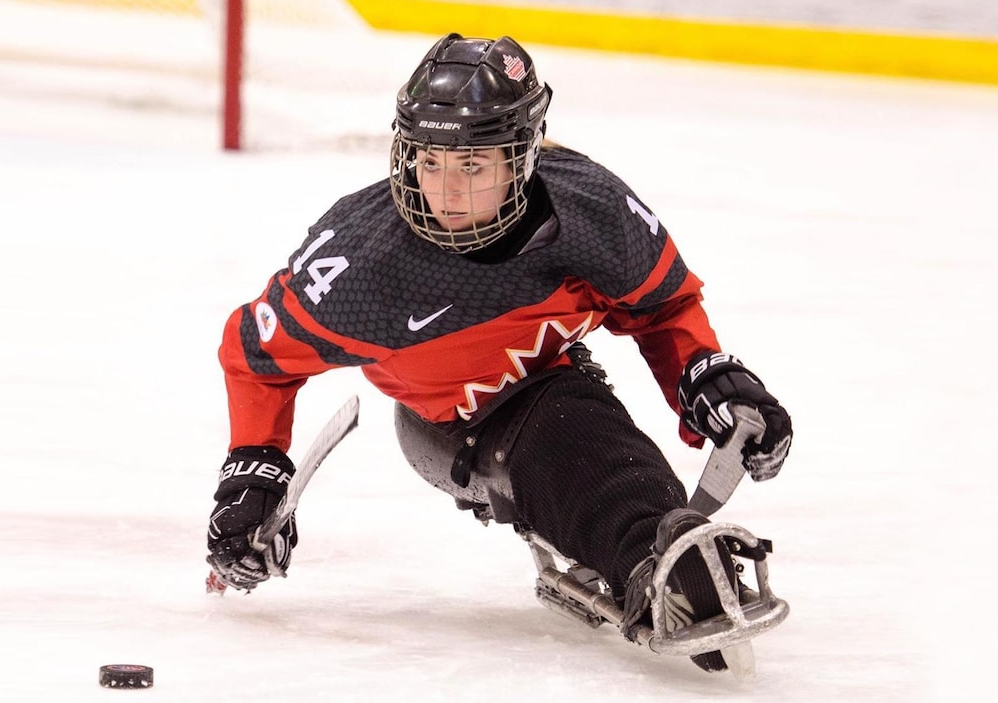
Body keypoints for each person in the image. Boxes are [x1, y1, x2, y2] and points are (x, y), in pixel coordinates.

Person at [206, 33, 793, 672]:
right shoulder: (357, 267)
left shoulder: (594, 210)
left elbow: (661, 307)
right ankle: (653, 559)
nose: (446, 192)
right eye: (429, 162)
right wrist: (255, 467)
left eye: (472, 167)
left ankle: (662, 549)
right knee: (564, 424)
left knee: (567, 409)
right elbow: (255, 355)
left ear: (524, 158)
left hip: (550, 373)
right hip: (444, 423)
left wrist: (706, 375)